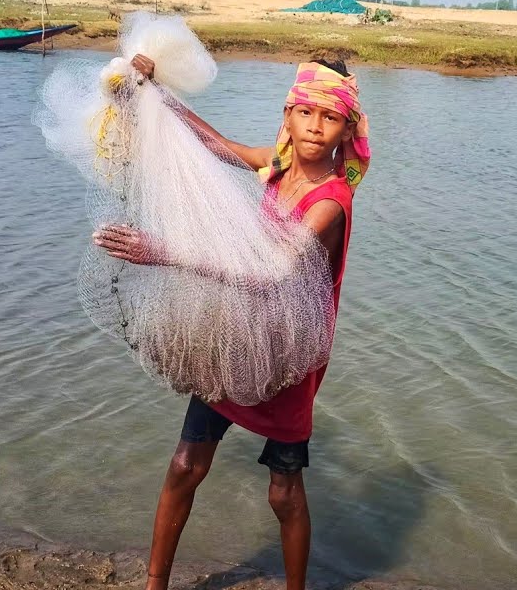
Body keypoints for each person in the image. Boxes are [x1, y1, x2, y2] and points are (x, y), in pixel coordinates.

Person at [92, 55, 370, 590]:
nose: (314, 125)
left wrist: (166, 251)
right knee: (184, 464)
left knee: (283, 493)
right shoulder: (278, 167)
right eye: (304, 112)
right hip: (236, 340)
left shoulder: (330, 201)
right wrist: (152, 94)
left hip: (288, 357)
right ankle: (156, 584)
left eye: (329, 117)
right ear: (287, 116)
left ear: (346, 129)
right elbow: (216, 146)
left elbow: (271, 270)